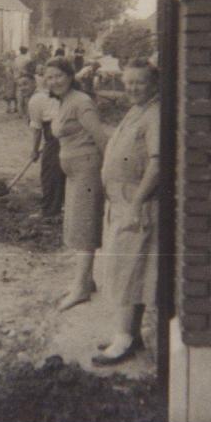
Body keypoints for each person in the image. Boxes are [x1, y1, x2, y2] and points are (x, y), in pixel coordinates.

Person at [93, 59, 160, 365]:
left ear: (153, 84)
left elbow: (158, 164)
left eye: (140, 82)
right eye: (129, 82)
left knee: (128, 271)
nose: (133, 88)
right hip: (122, 201)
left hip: (137, 204)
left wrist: (135, 205)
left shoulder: (155, 115)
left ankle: (124, 340)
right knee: (127, 269)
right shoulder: (138, 110)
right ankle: (129, 334)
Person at [45, 56, 113, 313]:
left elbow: (102, 139)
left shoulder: (81, 102)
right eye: (50, 77)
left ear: (70, 76)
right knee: (76, 224)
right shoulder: (63, 102)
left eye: (59, 76)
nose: (54, 81)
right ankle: (87, 280)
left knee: (84, 225)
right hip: (74, 172)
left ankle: (80, 289)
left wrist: (108, 174)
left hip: (87, 170)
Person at [28, 67, 65, 221]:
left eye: (25, 84)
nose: (22, 88)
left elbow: (37, 130)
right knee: (60, 172)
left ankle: (49, 211)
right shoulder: (47, 95)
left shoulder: (35, 99)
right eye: (19, 85)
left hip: (55, 135)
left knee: (50, 173)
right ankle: (58, 207)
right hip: (59, 132)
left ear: (34, 83)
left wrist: (34, 151)